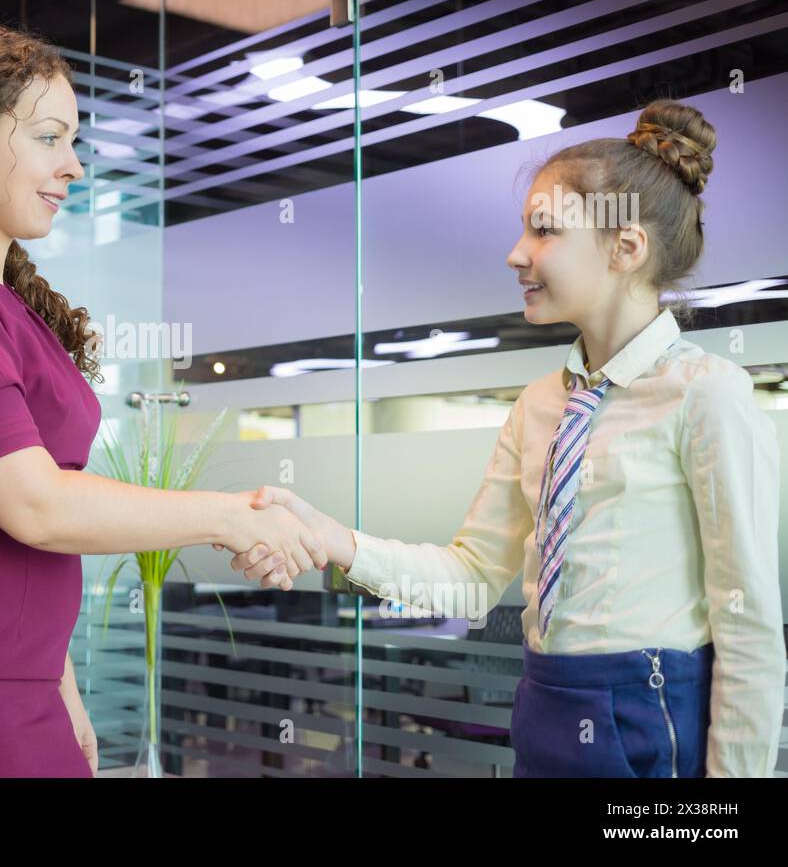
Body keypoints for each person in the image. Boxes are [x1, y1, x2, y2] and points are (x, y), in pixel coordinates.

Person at [0, 23, 323, 778]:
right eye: (50, 138)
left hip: (12, 682)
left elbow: (31, 539)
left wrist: (58, 683)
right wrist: (228, 516)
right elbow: (35, 507)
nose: (73, 166)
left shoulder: (0, 299)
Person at [234, 99, 784, 777]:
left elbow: (749, 628)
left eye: (544, 230)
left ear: (625, 247)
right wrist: (336, 540)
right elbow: (471, 576)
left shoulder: (707, 393)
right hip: (544, 707)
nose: (515, 254)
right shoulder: (541, 403)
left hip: (651, 721)